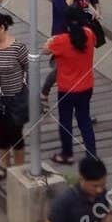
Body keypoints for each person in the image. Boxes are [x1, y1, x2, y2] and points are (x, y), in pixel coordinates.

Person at [45, 15, 99, 165]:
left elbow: (45, 50)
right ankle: (91, 154)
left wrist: (50, 41)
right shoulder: (89, 34)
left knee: (65, 121)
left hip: (67, 88)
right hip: (86, 86)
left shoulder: (61, 41)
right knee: (84, 120)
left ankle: (67, 154)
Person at [0, 9, 27, 175]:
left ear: (2, 28)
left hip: (15, 97)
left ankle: (20, 168)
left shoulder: (18, 47)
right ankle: (5, 166)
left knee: (16, 133)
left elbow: (28, 68)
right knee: (0, 133)